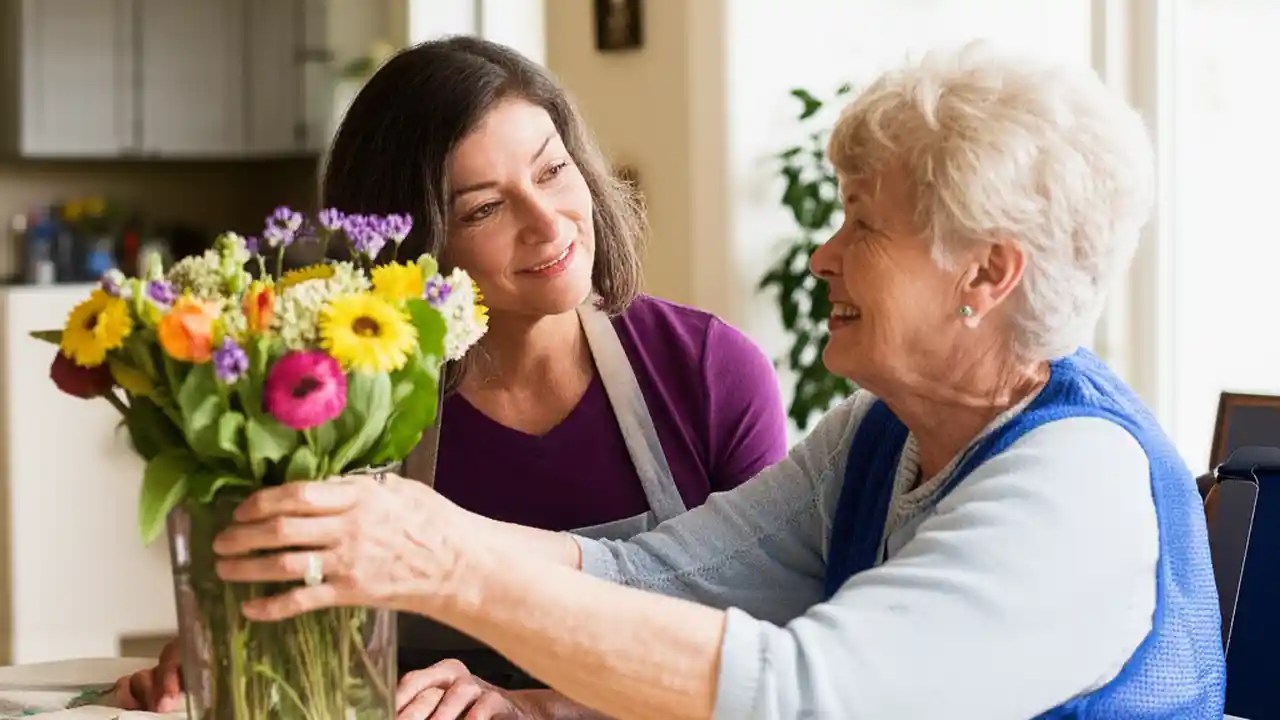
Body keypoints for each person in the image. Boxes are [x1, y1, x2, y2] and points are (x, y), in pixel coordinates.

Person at [207, 41, 1229, 719]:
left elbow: (798, 692)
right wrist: (394, 536)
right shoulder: (880, 435)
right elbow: (653, 571)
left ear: (987, 272)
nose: (822, 256)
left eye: (862, 224)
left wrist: (442, 564)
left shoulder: (1074, 489)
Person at [110, 36, 788, 717]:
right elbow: (297, 627)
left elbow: (772, 654)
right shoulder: (341, 398)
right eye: (484, 209)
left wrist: (533, 704)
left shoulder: (709, 372)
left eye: (552, 171)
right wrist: (216, 657)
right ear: (415, 245)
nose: (547, 222)